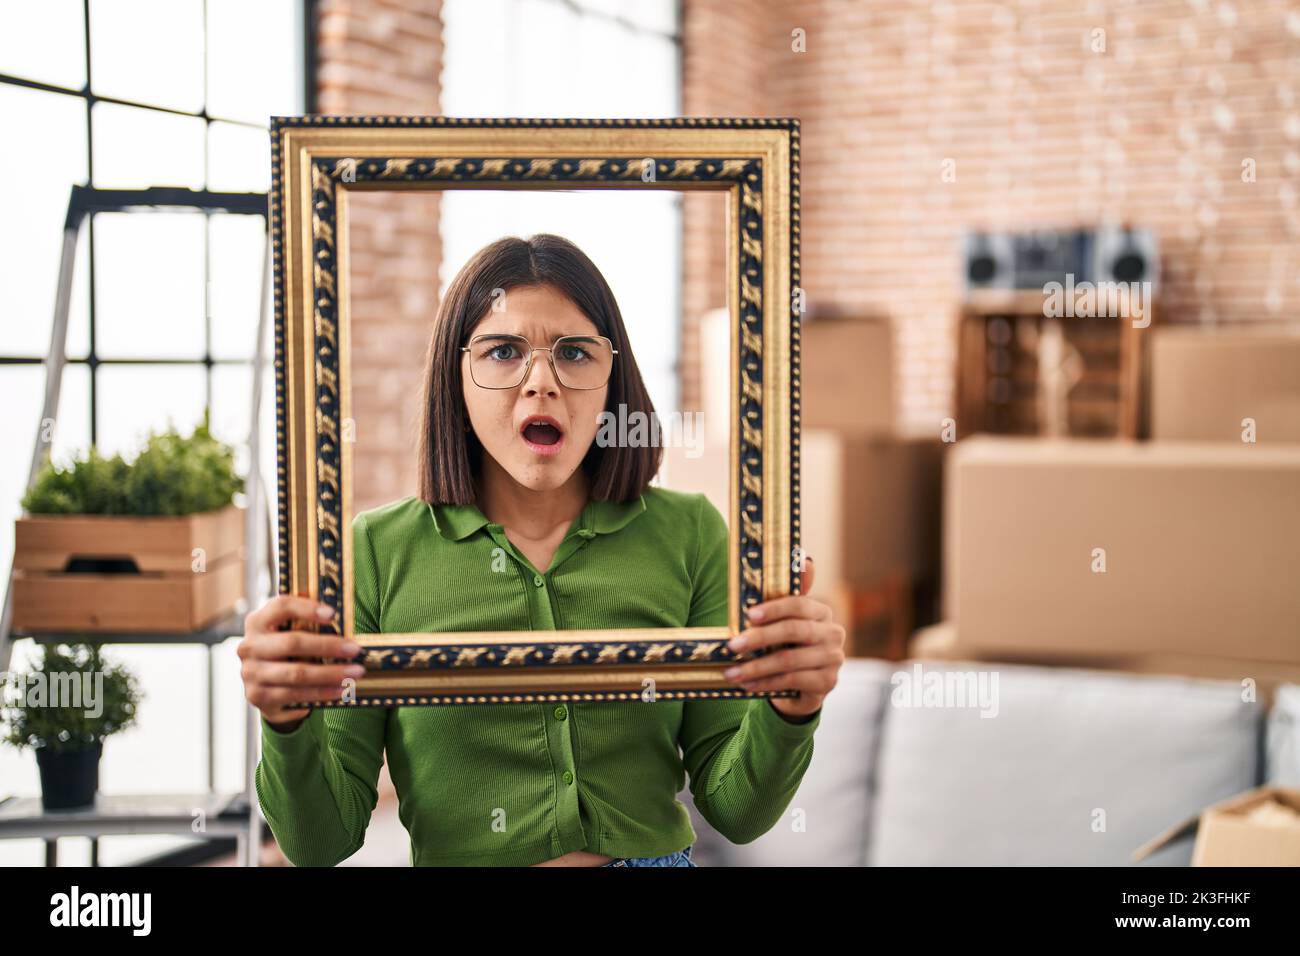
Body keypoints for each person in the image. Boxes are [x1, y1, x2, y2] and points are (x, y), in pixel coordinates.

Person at [240, 233, 846, 867]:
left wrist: (790, 706)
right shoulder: (376, 551)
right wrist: (286, 723)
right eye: (503, 351)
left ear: (614, 378)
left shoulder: (690, 532)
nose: (542, 384)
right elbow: (321, 842)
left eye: (575, 353)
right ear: (457, 375)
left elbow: (737, 811)